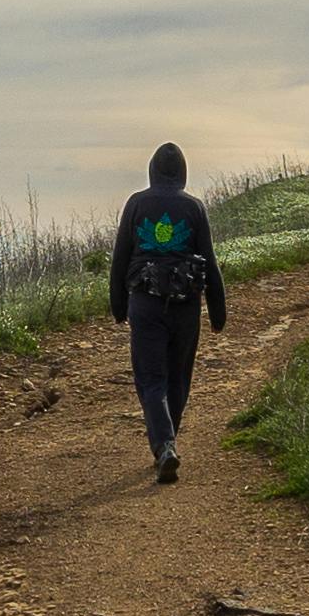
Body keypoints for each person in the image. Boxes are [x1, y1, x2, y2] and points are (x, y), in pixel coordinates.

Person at [109, 142, 226, 481]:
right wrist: (218, 310)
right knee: (178, 378)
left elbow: (120, 258)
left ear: (152, 170)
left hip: (145, 304)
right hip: (186, 306)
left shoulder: (136, 203)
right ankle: (167, 443)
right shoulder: (194, 207)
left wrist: (118, 304)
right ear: (182, 172)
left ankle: (164, 446)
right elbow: (211, 262)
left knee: (151, 379)